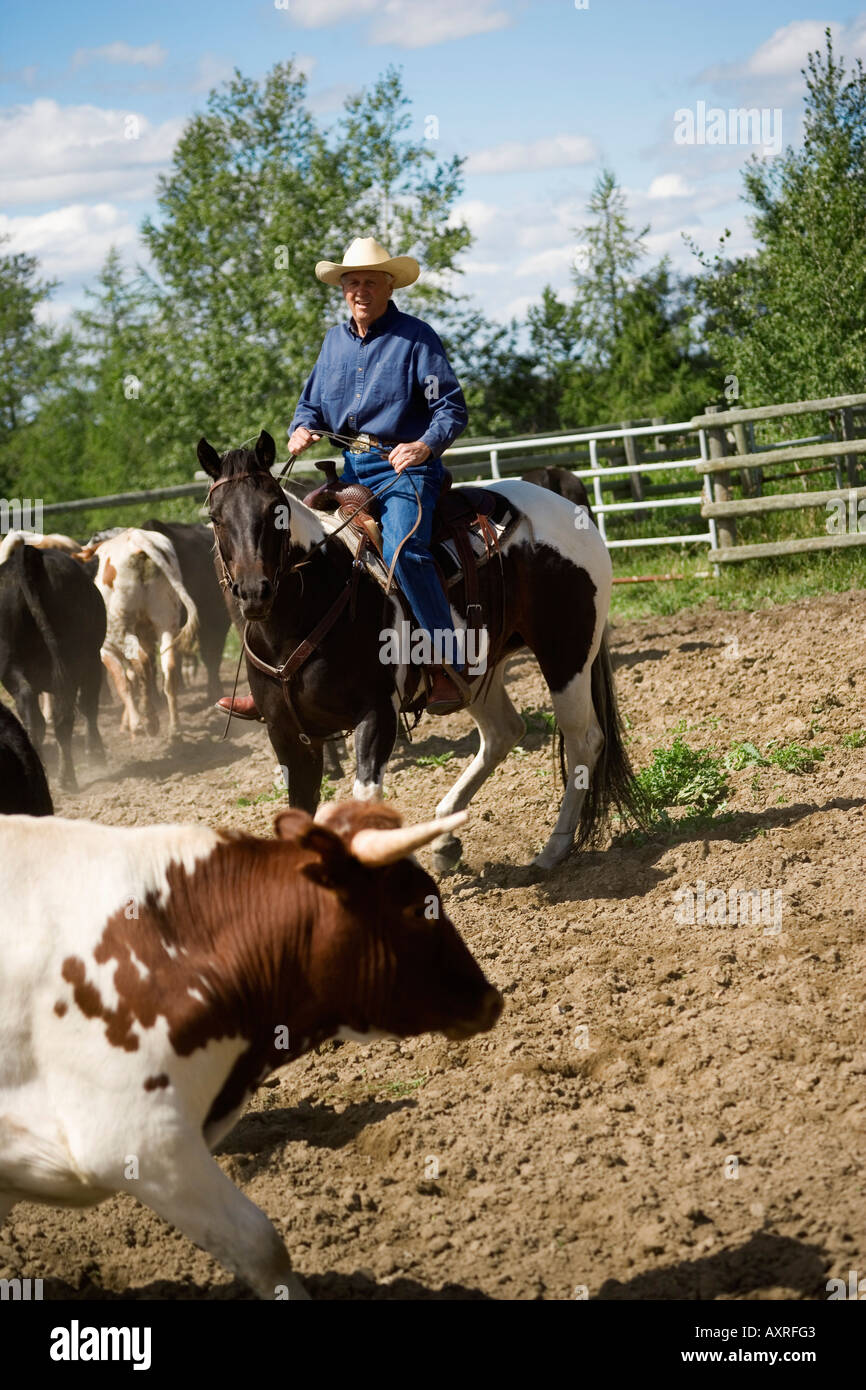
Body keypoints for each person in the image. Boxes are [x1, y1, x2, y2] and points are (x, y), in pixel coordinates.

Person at [217, 236, 471, 721]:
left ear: (389, 286)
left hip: (405, 473)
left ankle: (445, 661)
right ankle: (273, 677)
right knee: (282, 547)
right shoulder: (333, 343)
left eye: (370, 282)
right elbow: (309, 405)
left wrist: (423, 446)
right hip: (351, 471)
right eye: (352, 282)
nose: (359, 290)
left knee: (404, 549)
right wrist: (300, 429)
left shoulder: (417, 339)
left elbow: (451, 408)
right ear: (343, 289)